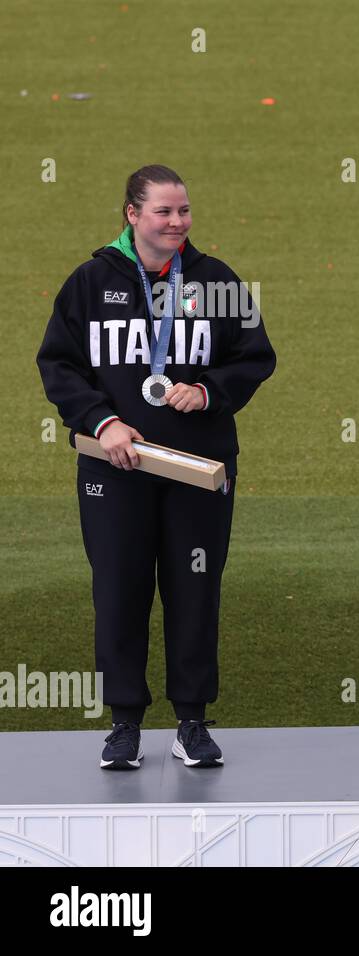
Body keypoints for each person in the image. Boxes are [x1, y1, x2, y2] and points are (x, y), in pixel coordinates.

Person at [36, 164, 276, 770]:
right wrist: (101, 421)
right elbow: (58, 365)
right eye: (164, 212)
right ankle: (123, 726)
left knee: (194, 590)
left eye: (184, 211)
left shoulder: (214, 282)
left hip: (198, 469)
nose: (177, 222)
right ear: (132, 215)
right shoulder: (91, 283)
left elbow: (256, 356)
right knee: (118, 591)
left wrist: (209, 391)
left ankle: (192, 722)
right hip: (115, 467)